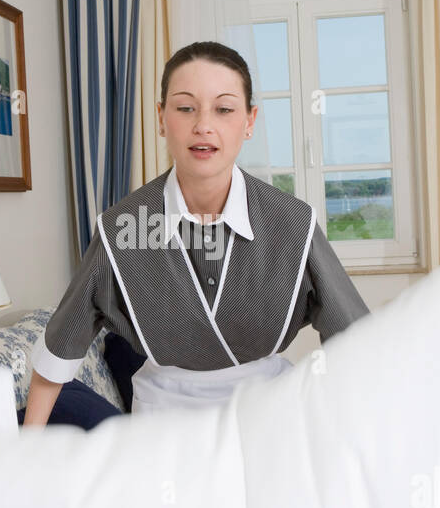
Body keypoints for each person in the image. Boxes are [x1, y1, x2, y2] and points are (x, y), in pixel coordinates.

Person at [24, 41, 369, 423]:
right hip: (163, 422)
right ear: (160, 117)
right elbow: (60, 351)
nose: (203, 125)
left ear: (250, 120)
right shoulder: (122, 228)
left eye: (224, 109)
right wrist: (28, 454)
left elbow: (355, 343)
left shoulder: (292, 223)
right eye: (185, 108)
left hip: (271, 416)